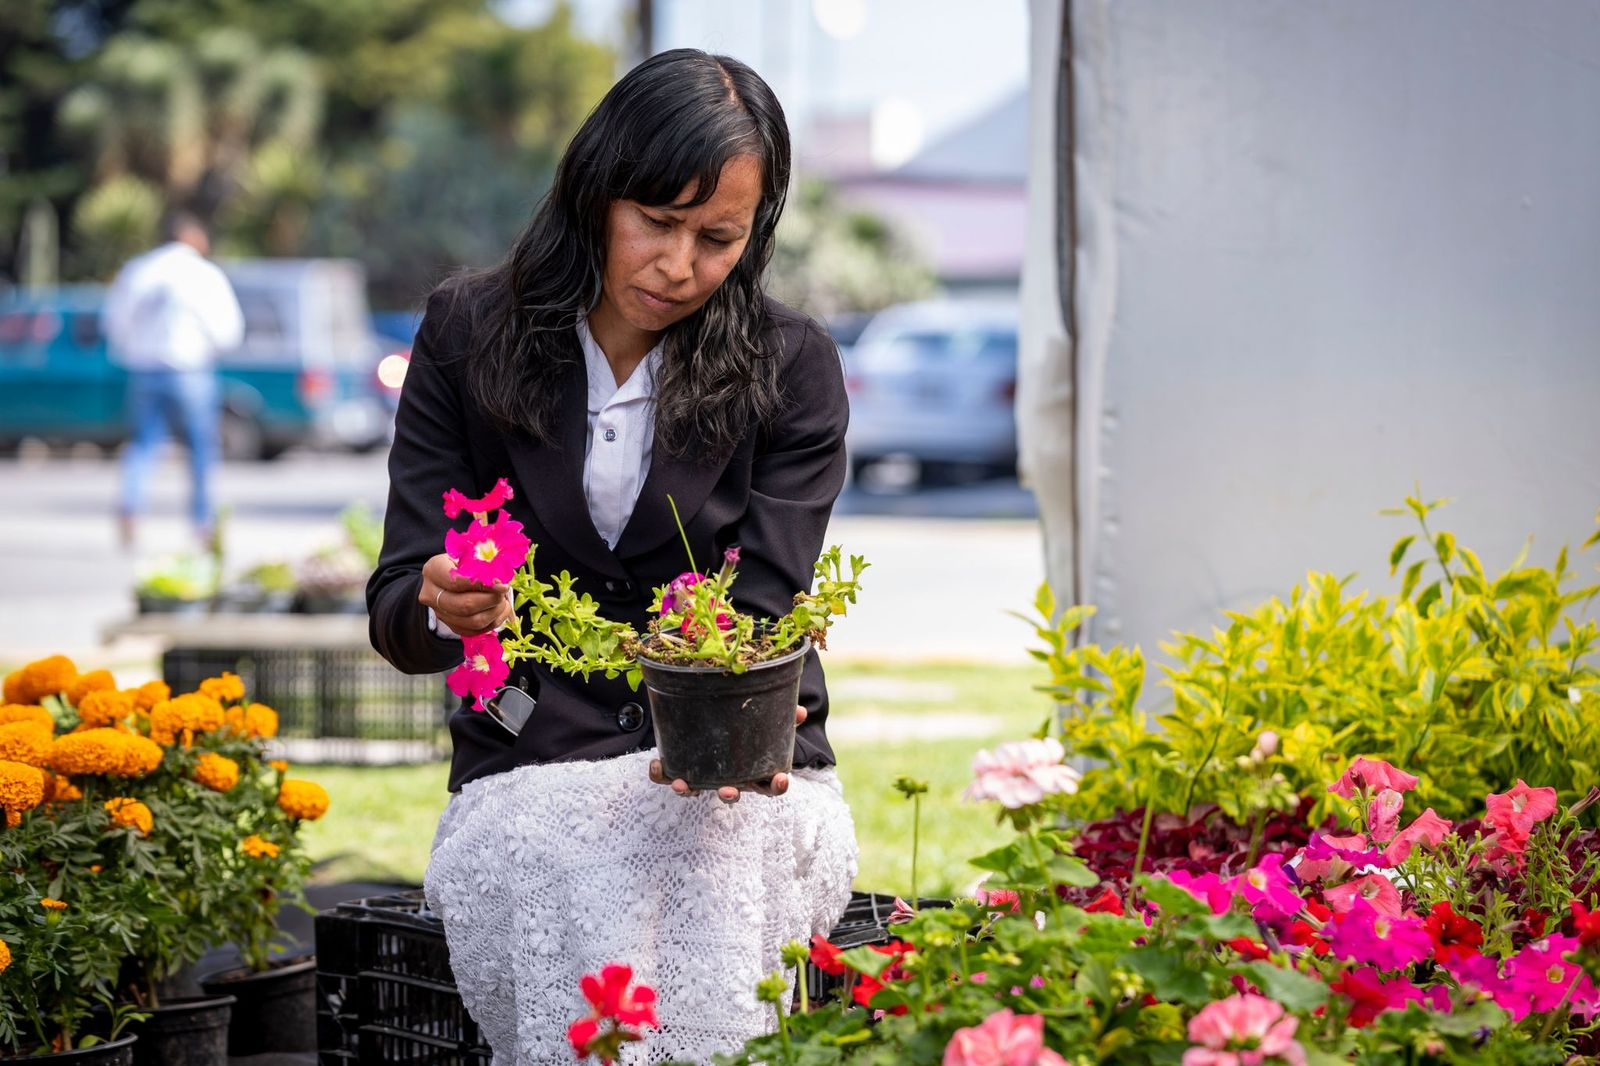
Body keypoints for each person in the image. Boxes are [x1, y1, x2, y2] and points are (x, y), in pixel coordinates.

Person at [366, 49, 858, 1063]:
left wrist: (736, 729)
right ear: (595, 194)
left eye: (717, 238)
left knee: (705, 869)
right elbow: (399, 603)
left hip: (733, 768)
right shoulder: (469, 334)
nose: (679, 265)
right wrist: (441, 604)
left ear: (753, 234)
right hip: (532, 753)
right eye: (657, 222)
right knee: (564, 853)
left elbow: (760, 608)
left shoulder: (789, 364)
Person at [102, 212, 244, 548]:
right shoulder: (203, 274)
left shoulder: (138, 270)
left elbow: (115, 322)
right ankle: (202, 524)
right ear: (192, 237)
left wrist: (133, 349)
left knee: (143, 444)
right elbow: (228, 331)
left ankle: (130, 507)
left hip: (144, 368)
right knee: (200, 448)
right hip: (189, 368)